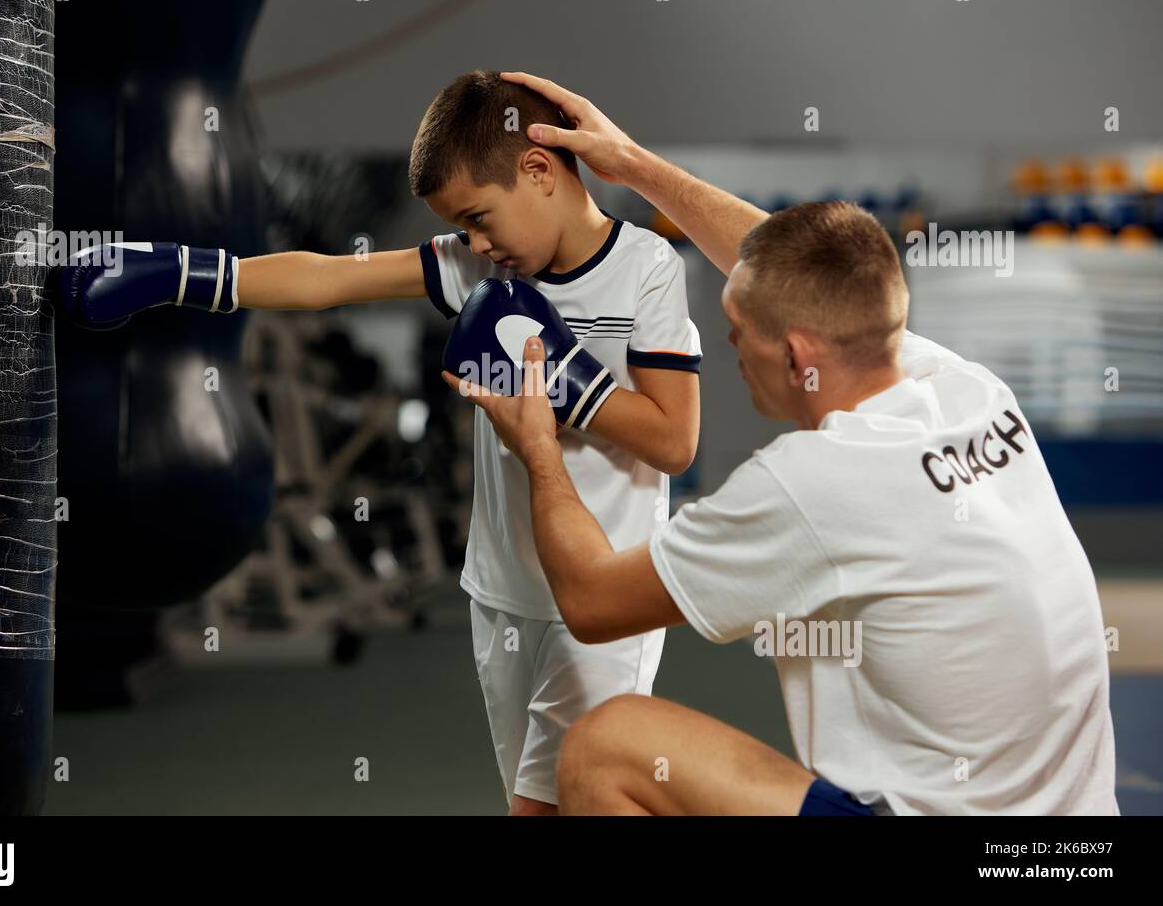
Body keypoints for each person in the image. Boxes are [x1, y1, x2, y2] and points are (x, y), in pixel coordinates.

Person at [439, 71, 1120, 816]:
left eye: (736, 335)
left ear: (797, 357)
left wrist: (540, 445)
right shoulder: (965, 389)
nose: (730, 347)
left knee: (606, 747)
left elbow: (594, 603)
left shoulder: (812, 482)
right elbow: (808, 272)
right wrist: (633, 164)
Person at [54, 70, 703, 815]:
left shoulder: (644, 270)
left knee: (562, 803)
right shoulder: (479, 266)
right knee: (538, 802)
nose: (478, 241)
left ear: (538, 170)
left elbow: (674, 440)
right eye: (464, 228)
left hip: (604, 592)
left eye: (481, 217)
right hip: (502, 591)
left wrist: (568, 381)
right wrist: (184, 275)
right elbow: (331, 279)